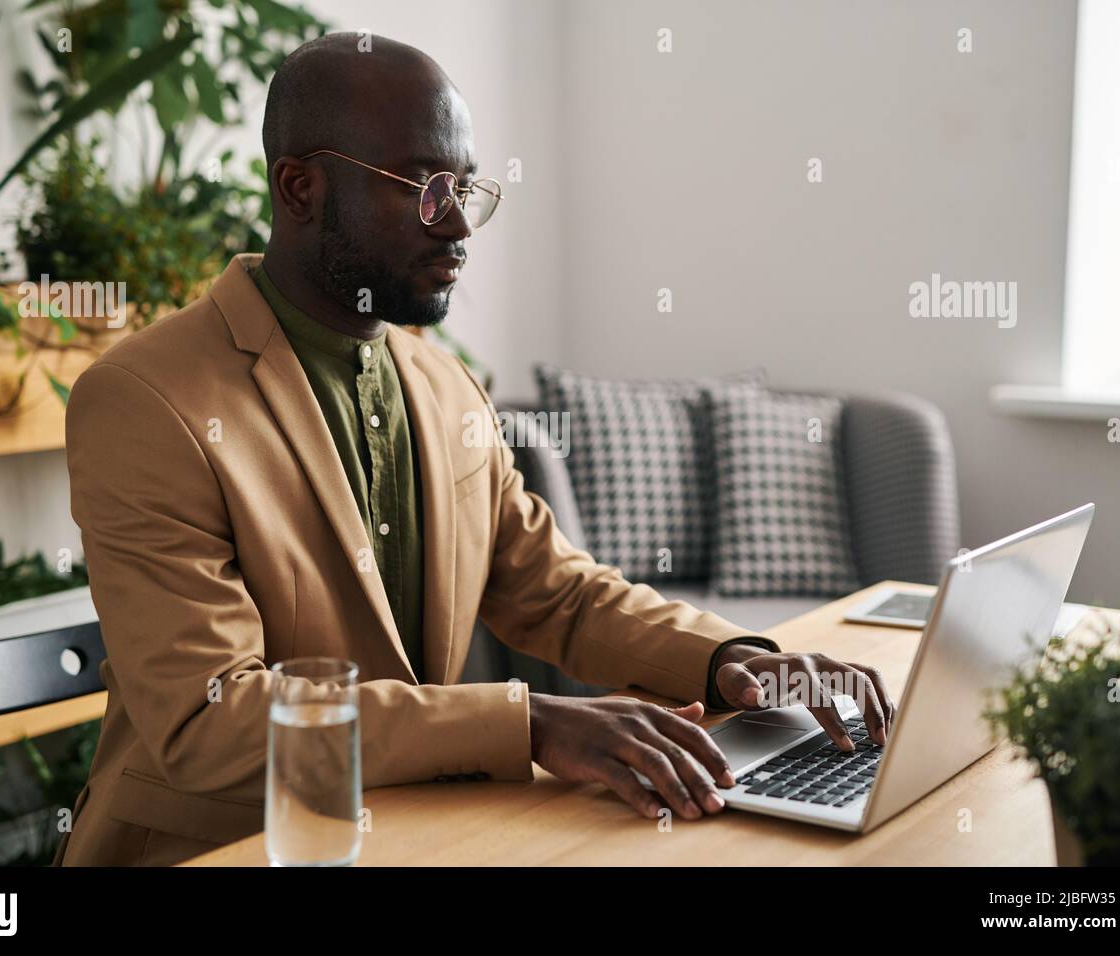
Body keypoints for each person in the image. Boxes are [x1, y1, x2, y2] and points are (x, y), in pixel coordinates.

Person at [57, 32, 892, 866]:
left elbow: (555, 594)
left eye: (463, 187)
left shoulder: (445, 383)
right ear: (300, 188)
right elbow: (212, 721)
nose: (458, 222)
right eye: (422, 185)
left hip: (416, 834)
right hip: (220, 849)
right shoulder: (144, 401)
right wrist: (529, 722)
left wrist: (732, 661)